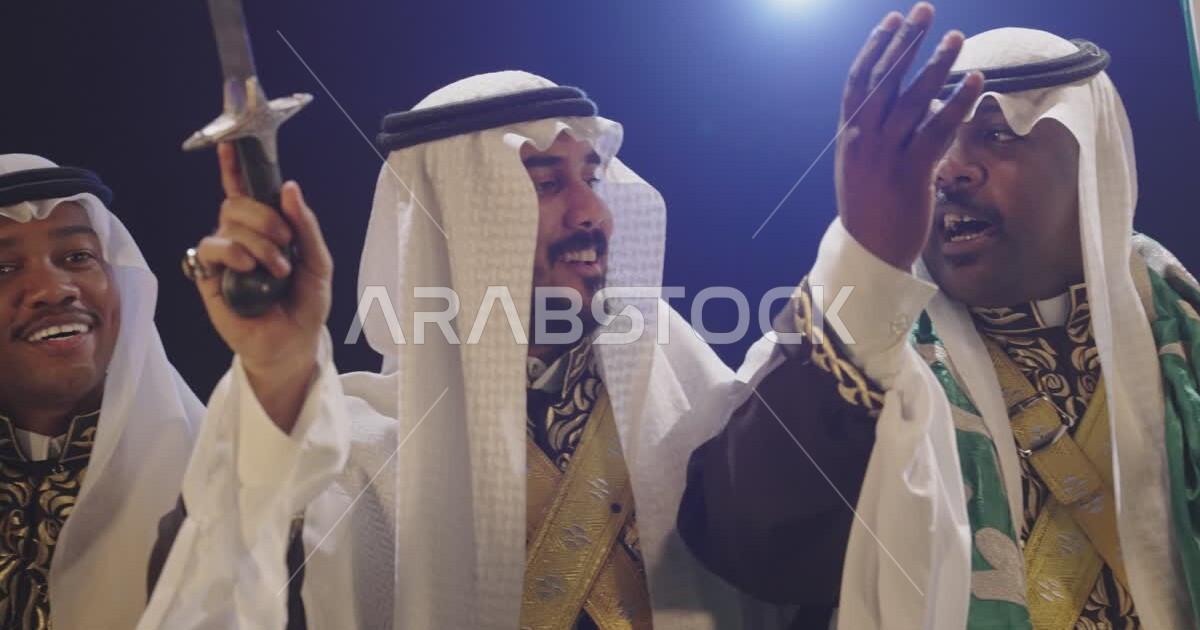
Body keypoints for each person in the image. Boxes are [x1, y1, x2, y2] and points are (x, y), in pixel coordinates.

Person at [142, 71, 787, 630]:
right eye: (545, 184)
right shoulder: (359, 444)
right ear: (460, 217)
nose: (595, 210)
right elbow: (210, 596)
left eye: (590, 176)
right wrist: (272, 380)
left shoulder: (673, 375)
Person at [678, 4, 1200, 629]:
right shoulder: (862, 332)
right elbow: (749, 549)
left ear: (1090, 159)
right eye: (937, 142)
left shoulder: (1178, 324)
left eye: (995, 134)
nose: (950, 169)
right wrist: (868, 269)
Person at [0, 152, 333, 629]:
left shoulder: (199, 475)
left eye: (77, 257)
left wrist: (278, 367)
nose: (53, 289)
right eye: (4, 269)